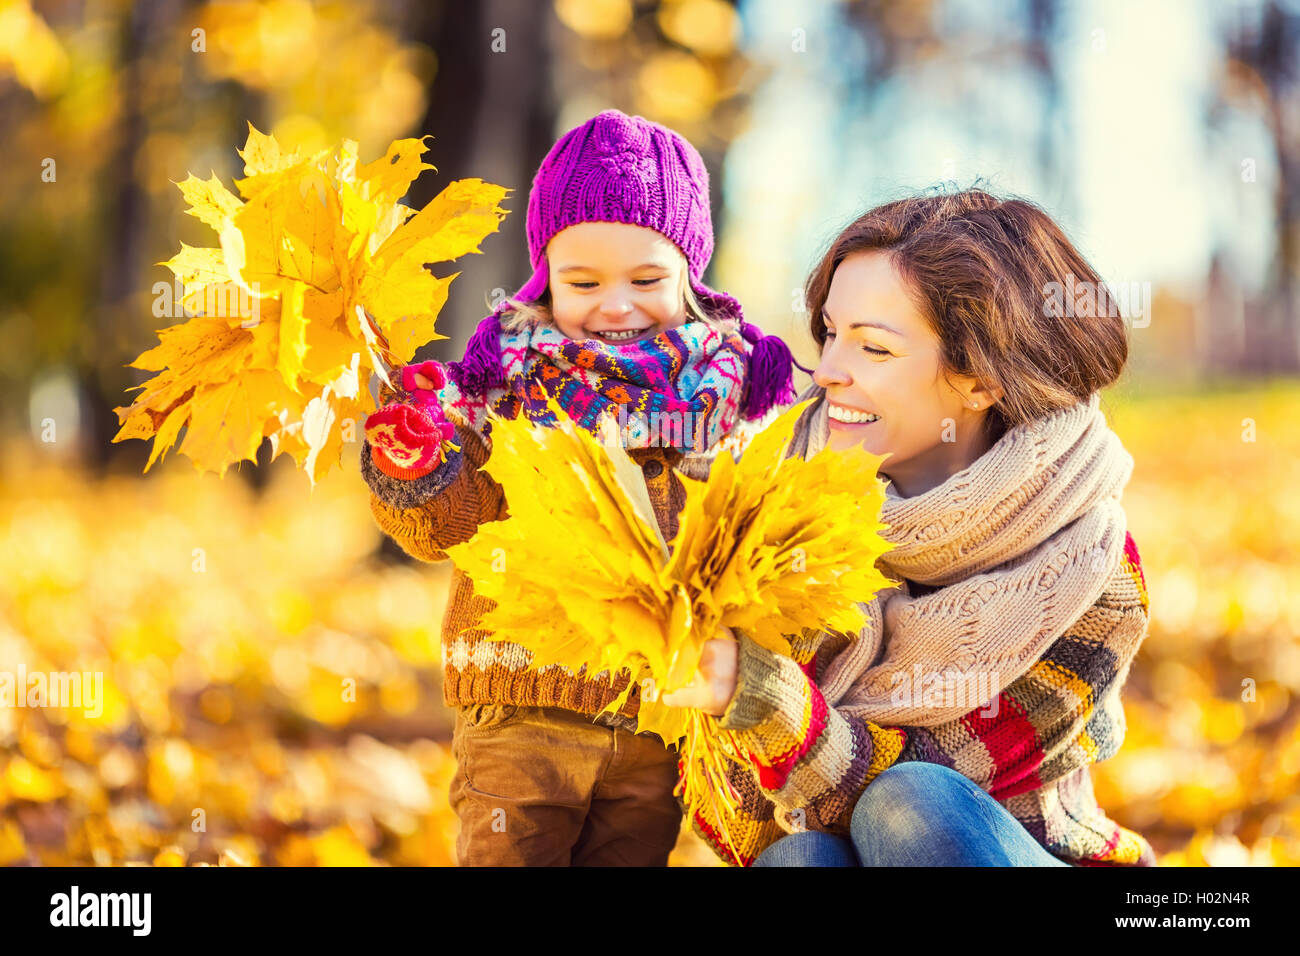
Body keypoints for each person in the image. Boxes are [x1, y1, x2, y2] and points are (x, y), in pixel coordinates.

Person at [359, 109, 802, 866]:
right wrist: (421, 468)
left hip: (655, 720)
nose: (616, 304)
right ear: (545, 278)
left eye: (647, 278)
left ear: (690, 277)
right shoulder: (504, 389)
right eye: (584, 280)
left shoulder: (727, 400)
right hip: (518, 708)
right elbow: (452, 526)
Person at [664, 189, 1158, 867]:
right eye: (830, 333)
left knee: (910, 802)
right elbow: (754, 832)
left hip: (1015, 850)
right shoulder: (779, 507)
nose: (829, 371)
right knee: (798, 859)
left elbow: (901, 812)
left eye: (873, 347)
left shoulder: (1090, 569)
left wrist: (763, 697)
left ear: (979, 380)